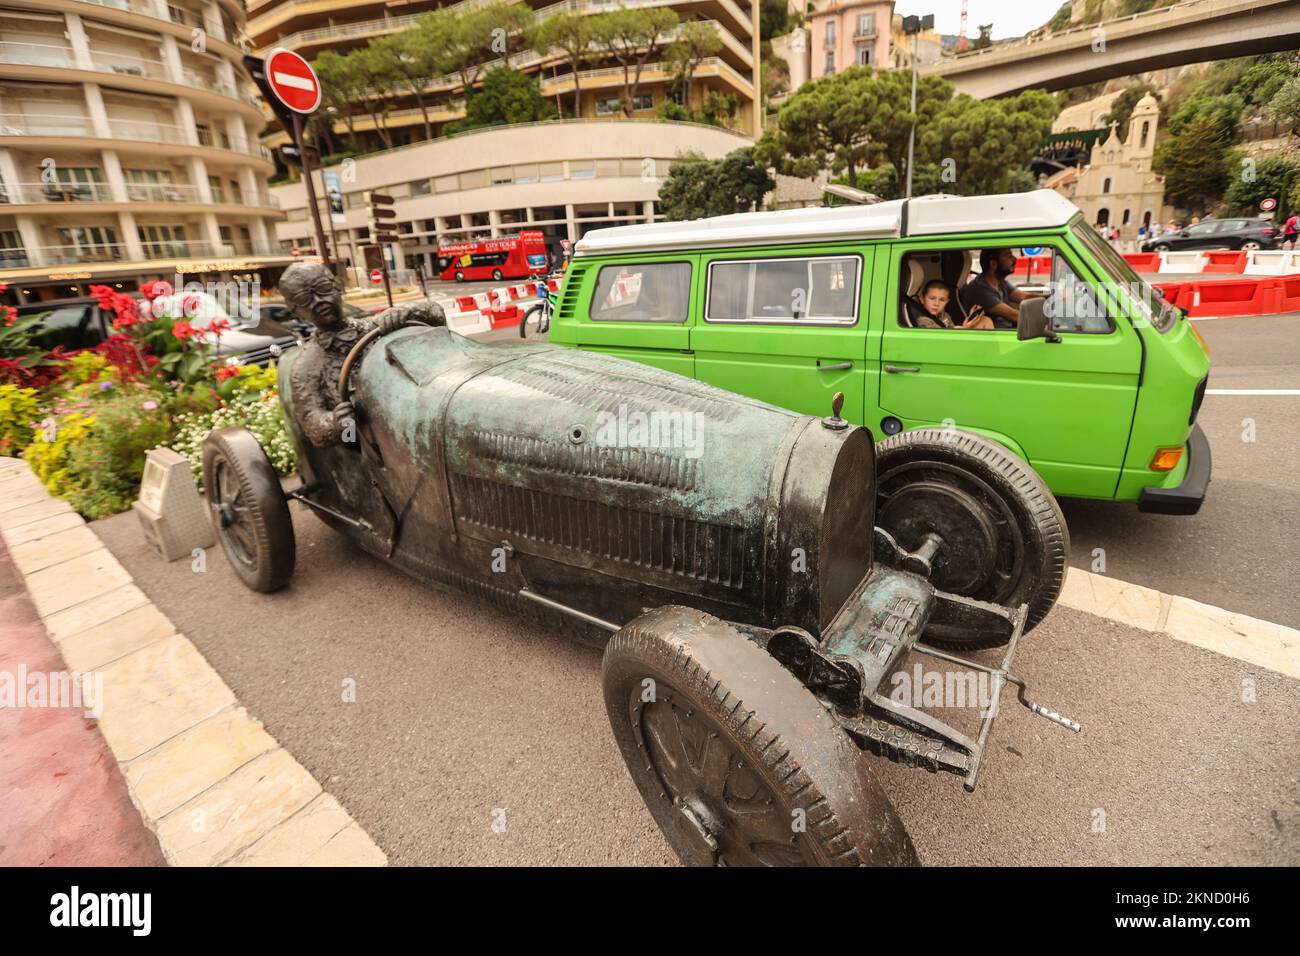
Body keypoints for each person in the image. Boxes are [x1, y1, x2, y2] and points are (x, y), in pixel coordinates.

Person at [280, 261, 445, 447]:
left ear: (338, 288)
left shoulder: (378, 326)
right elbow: (311, 422)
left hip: (417, 420)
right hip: (365, 448)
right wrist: (335, 423)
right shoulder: (307, 366)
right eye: (304, 298)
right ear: (295, 310)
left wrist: (409, 312)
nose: (318, 301)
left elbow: (437, 316)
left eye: (323, 288)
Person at [958, 249, 1040, 330]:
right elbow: (1013, 315)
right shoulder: (979, 290)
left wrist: (1049, 297)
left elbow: (1023, 296)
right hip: (997, 337)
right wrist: (1043, 321)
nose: (1015, 259)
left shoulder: (1000, 282)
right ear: (993, 264)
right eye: (1009, 256)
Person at [907, 279, 992, 329]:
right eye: (932, 298)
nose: (936, 303)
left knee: (985, 320)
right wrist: (965, 328)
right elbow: (944, 338)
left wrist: (970, 318)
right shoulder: (923, 320)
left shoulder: (944, 315)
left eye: (942, 300)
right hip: (943, 348)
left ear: (947, 302)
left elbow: (952, 328)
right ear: (922, 299)